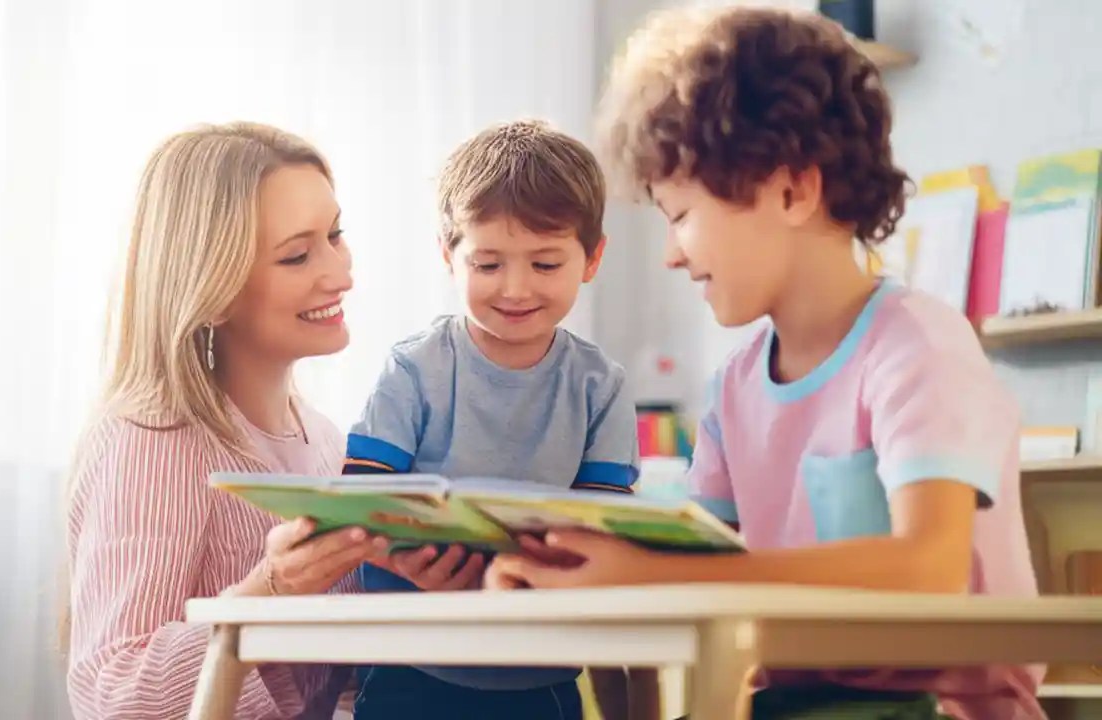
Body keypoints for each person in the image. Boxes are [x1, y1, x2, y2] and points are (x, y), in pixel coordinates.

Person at [486, 8, 1046, 720]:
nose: (671, 254)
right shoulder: (736, 389)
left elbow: (927, 568)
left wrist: (647, 576)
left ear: (792, 191)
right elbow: (698, 563)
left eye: (680, 215)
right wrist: (567, 568)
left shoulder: (916, 345)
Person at [62, 121, 389, 720]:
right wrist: (270, 592)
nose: (341, 275)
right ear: (211, 288)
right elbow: (115, 692)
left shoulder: (330, 445)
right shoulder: (152, 441)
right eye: (297, 255)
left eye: (335, 236)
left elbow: (338, 685)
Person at [343, 119, 640, 720]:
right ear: (447, 256)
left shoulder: (600, 385)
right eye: (487, 265)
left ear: (592, 258)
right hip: (411, 661)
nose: (516, 289)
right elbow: (358, 505)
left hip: (540, 671)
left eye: (545, 264)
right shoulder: (414, 369)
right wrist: (401, 558)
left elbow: (604, 530)